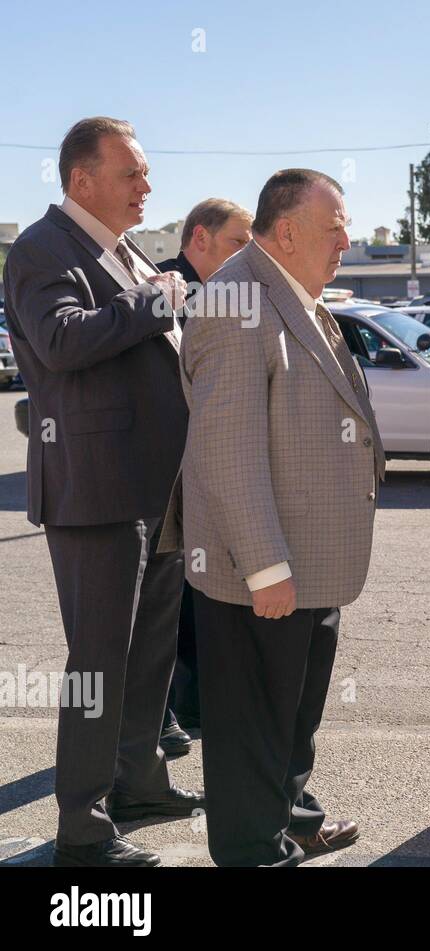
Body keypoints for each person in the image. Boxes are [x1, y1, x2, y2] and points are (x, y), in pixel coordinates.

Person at [1, 116, 201, 867]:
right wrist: (157, 302)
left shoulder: (118, 249)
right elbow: (61, 341)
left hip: (155, 484)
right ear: (82, 180)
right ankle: (82, 830)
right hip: (94, 490)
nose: (147, 186)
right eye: (133, 173)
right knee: (97, 663)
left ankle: (140, 782)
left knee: (150, 652)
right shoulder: (39, 249)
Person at [178, 168, 385, 866]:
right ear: (288, 230)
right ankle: (250, 850)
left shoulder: (292, 296)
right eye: (335, 227)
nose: (347, 241)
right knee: (251, 725)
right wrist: (266, 565)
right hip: (262, 571)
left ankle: (291, 817)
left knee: (292, 716)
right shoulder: (238, 299)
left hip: (309, 561)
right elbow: (227, 451)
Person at [154, 197, 253, 757]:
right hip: (173, 468)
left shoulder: (217, 294)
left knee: (195, 590)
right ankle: (165, 711)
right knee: (171, 595)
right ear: (199, 239)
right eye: (237, 241)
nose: (246, 252)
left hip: (197, 464)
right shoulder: (177, 293)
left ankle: (187, 704)